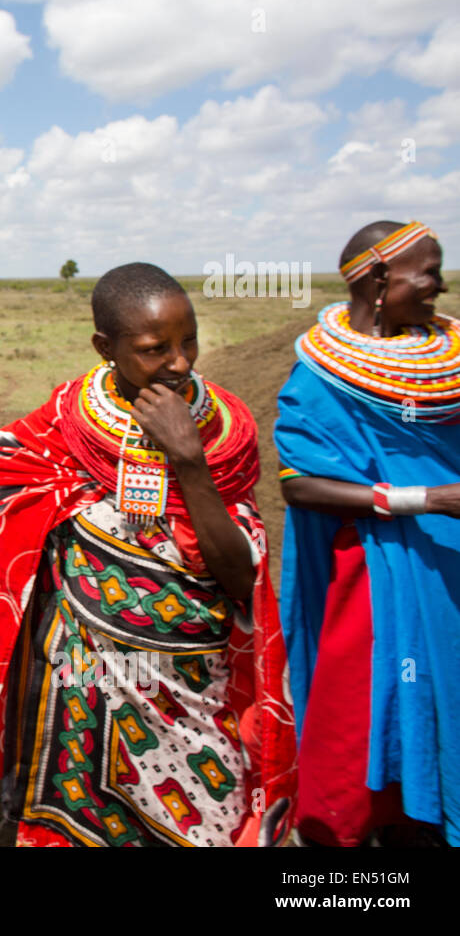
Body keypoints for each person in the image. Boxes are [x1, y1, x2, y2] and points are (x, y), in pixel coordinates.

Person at [0, 262, 296, 846]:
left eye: (188, 340)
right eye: (153, 348)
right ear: (104, 347)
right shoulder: (66, 429)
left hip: (195, 686)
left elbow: (241, 577)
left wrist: (188, 462)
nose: (180, 362)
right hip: (81, 690)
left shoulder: (224, 434)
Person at [276, 220, 460, 846]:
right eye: (427, 272)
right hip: (377, 575)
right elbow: (299, 484)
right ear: (380, 279)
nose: (439, 285)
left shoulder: (448, 360)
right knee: (371, 711)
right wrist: (428, 499)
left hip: (450, 561)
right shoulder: (320, 379)